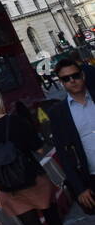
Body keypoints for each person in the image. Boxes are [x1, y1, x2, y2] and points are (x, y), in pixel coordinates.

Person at [0, 86, 68, 225]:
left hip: (9, 188)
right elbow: (40, 150)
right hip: (34, 179)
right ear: (0, 100)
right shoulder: (16, 121)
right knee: (55, 223)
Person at [40, 57, 95, 215]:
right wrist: (79, 188)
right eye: (66, 78)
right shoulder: (58, 113)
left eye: (75, 76)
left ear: (83, 76)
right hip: (91, 176)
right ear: (62, 83)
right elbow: (64, 155)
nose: (72, 80)